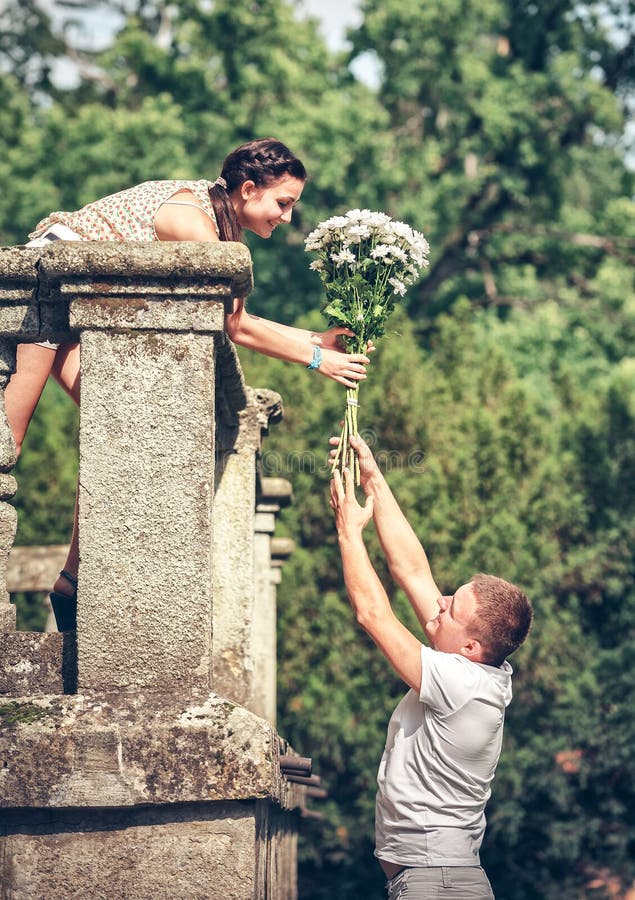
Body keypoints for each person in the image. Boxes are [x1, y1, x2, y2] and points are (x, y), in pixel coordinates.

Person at [6, 137, 371, 632]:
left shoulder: (221, 228)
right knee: (10, 437)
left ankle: (73, 581)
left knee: (124, 430)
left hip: (76, 310)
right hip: (40, 293)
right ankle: (73, 586)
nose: (287, 217)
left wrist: (316, 338)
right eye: (283, 204)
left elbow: (235, 319)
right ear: (248, 189)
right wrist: (315, 359)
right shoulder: (194, 221)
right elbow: (234, 326)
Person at [328, 433, 533, 900]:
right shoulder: (475, 668)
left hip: (435, 884)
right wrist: (373, 478)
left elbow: (373, 615)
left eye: (451, 607)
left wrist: (348, 530)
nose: (438, 602)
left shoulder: (459, 682)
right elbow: (413, 571)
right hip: (437, 878)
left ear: (472, 647)